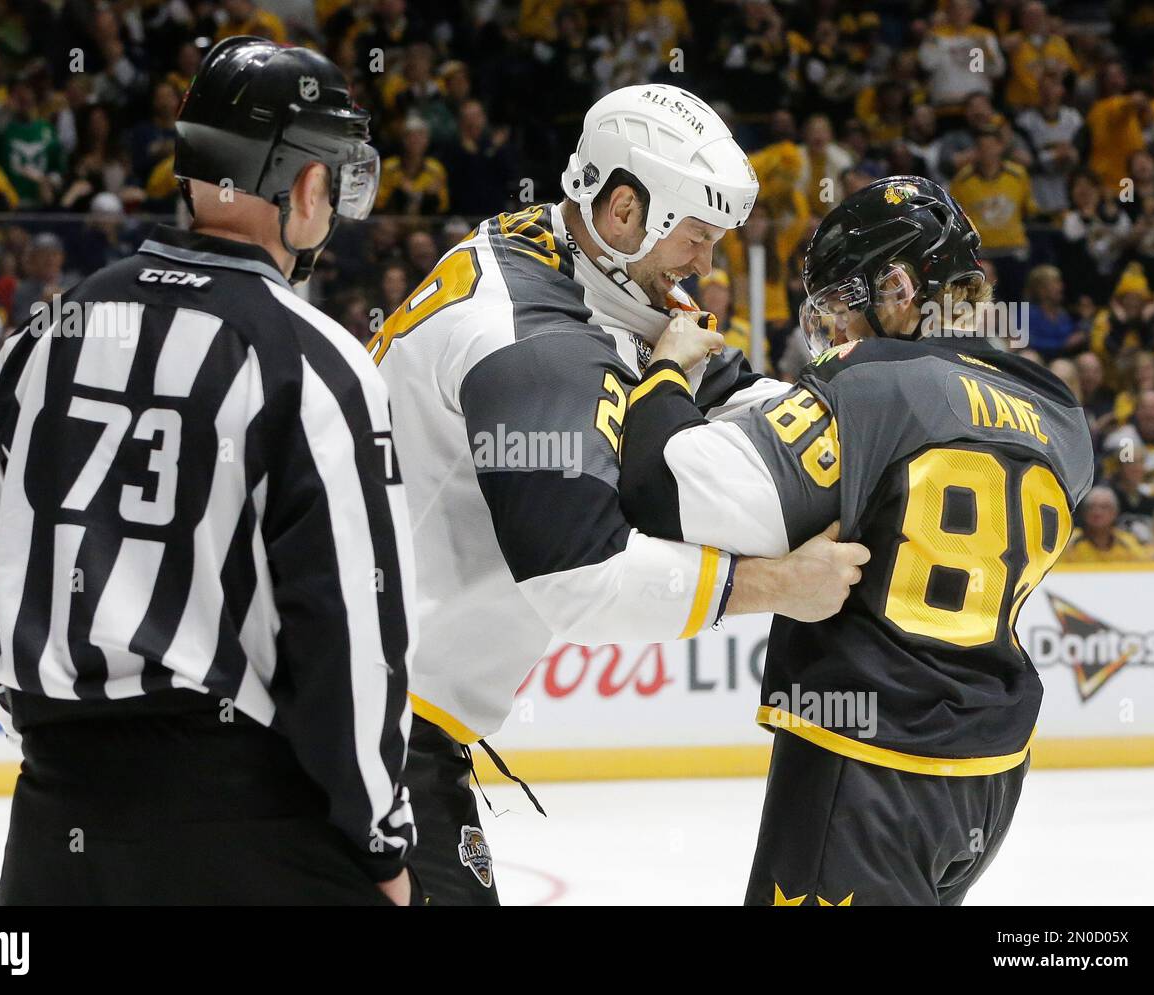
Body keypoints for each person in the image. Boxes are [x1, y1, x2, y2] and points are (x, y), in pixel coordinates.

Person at [0, 36, 418, 906]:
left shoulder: (45, 337)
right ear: (305, 187)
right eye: (335, 178)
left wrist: (78, 738)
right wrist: (382, 845)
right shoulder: (316, 364)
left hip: (53, 830)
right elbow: (350, 637)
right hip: (243, 827)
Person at [370, 83, 869, 905]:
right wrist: (778, 587)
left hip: (369, 700)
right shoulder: (539, 346)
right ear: (624, 209)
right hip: (362, 721)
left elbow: (725, 388)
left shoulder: (569, 258)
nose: (705, 266)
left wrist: (860, 416)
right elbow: (579, 583)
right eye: (698, 237)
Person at [618, 175, 1094, 905]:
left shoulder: (869, 386)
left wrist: (664, 371)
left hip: (868, 767)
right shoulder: (1060, 414)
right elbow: (913, 440)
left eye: (844, 304)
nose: (836, 331)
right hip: (988, 776)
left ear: (900, 288)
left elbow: (663, 490)